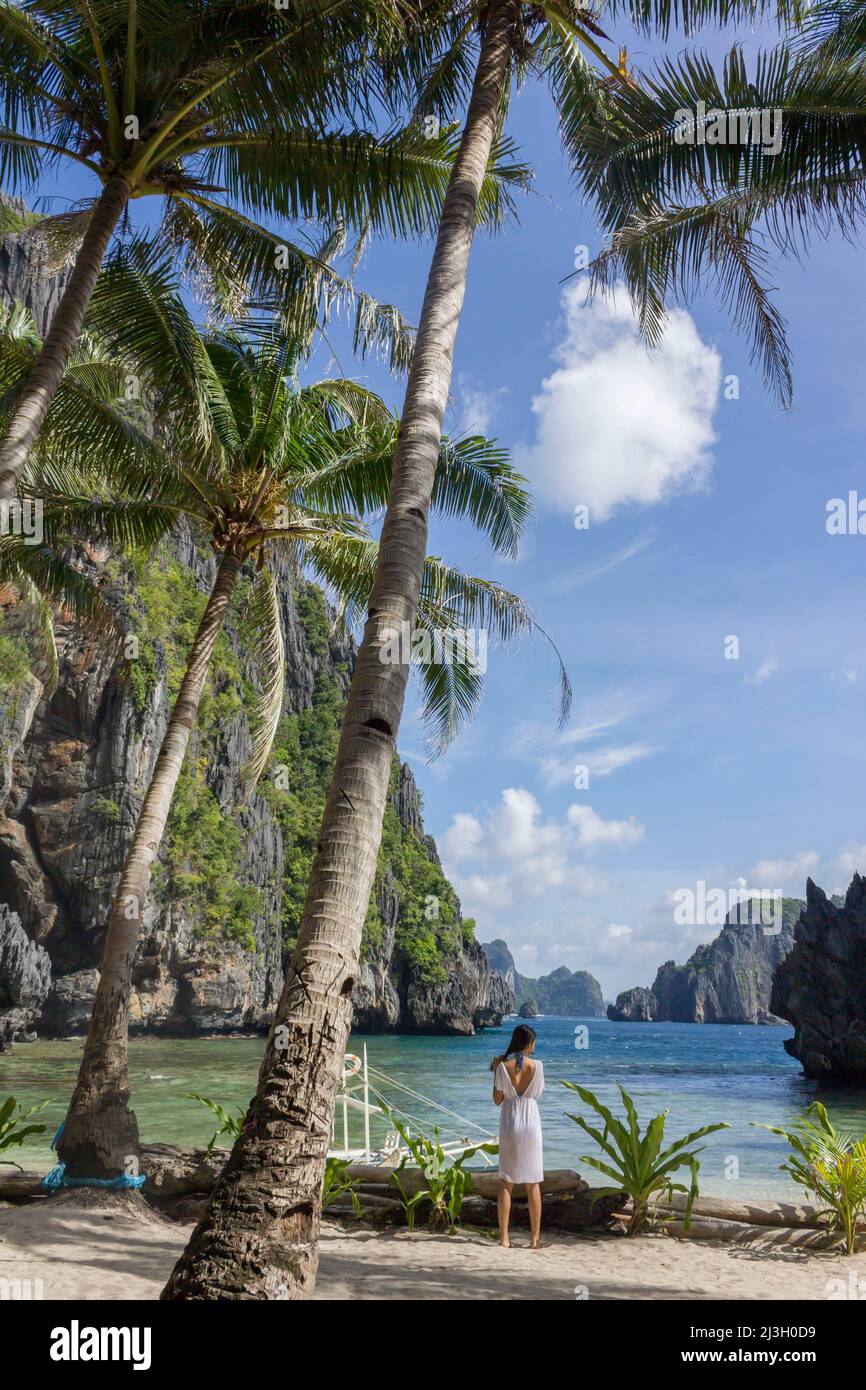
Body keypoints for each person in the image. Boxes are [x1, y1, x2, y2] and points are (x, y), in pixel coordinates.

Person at [491, 1024, 544, 1249]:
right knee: (533, 1183)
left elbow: (497, 1099)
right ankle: (534, 1240)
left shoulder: (503, 1066)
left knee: (506, 1181)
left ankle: (504, 1239)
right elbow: (537, 1094)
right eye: (534, 1043)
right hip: (531, 1123)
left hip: (510, 1123)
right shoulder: (538, 1067)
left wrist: (496, 1071)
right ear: (529, 1044)